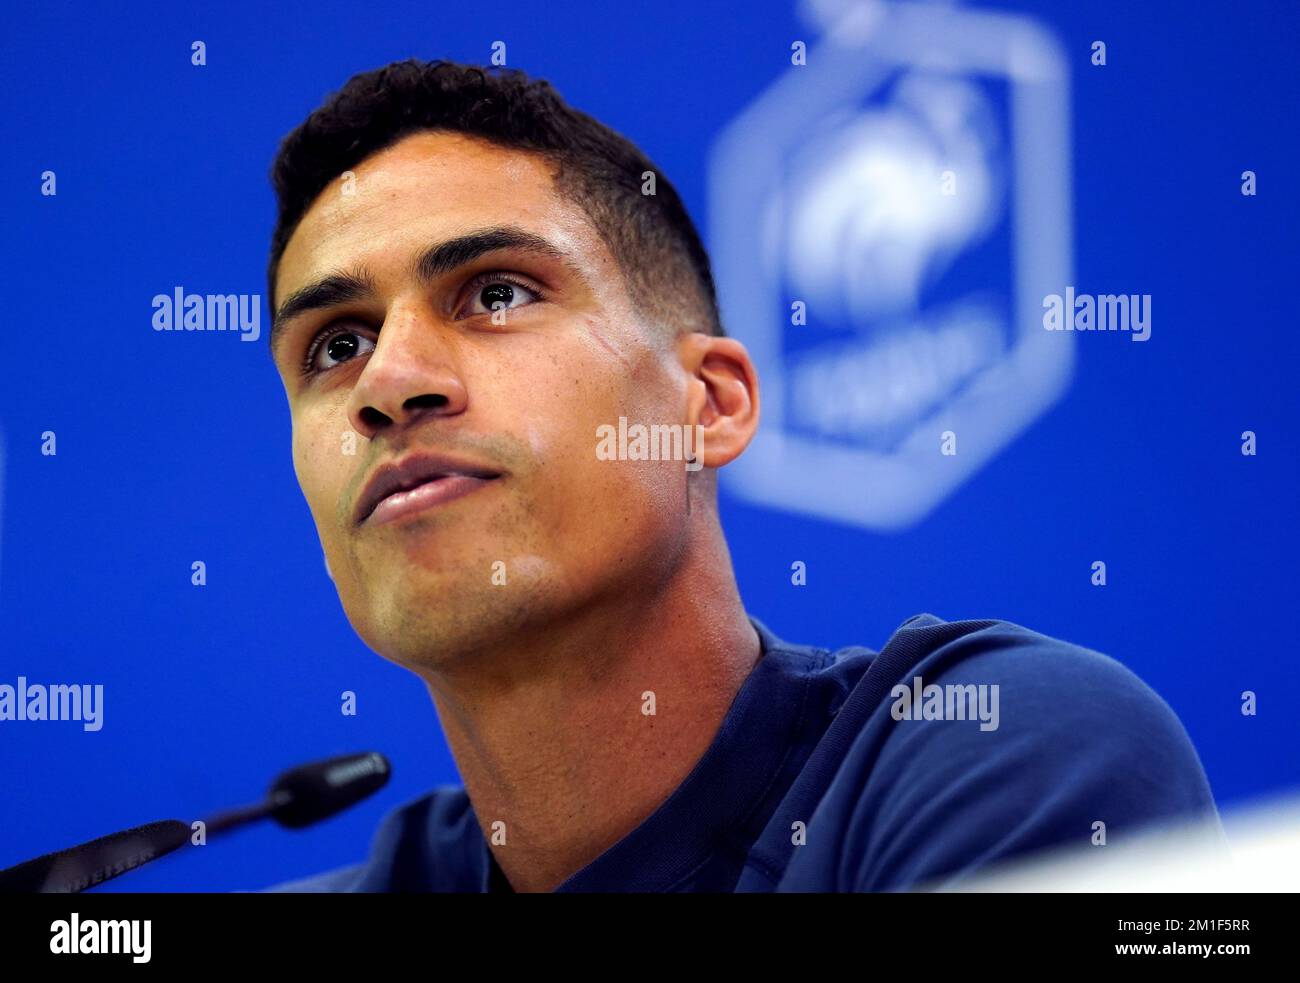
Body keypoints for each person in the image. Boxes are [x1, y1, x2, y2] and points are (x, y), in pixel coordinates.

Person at [260, 59, 1219, 892]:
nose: (386, 382)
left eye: (495, 293)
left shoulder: (1012, 750)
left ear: (709, 404)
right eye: (336, 344)